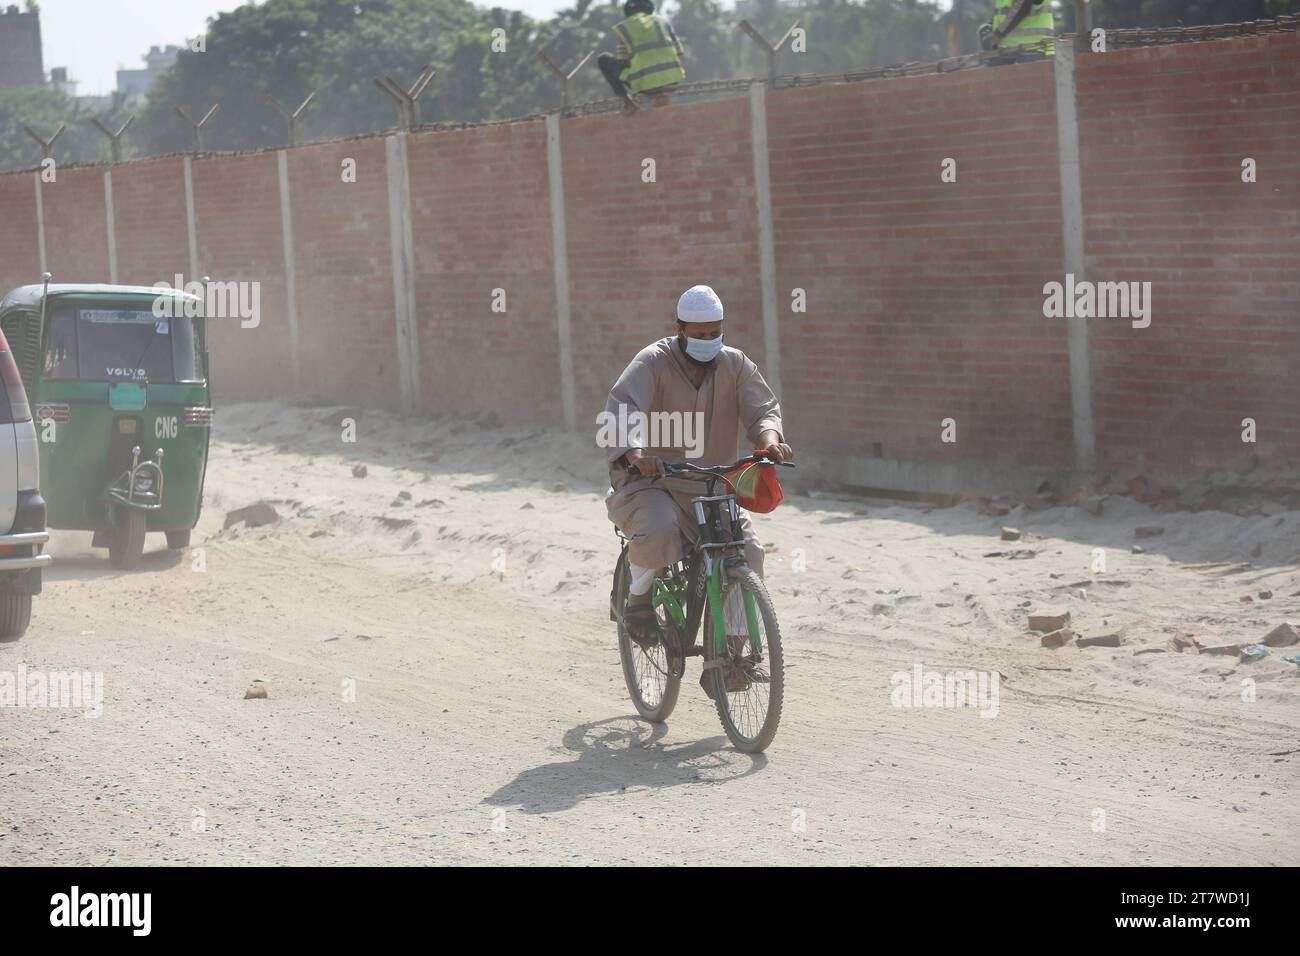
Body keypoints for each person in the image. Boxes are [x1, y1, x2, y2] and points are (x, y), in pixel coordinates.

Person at [603, 285, 792, 660]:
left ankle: (733, 658)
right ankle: (638, 598)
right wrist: (639, 454)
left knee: (748, 551)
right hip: (652, 481)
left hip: (712, 483)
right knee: (658, 527)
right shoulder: (652, 362)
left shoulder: (736, 364)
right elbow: (623, 408)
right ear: (680, 329)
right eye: (700, 334)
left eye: (715, 333)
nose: (709, 341)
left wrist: (770, 441)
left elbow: (763, 409)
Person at [597, 0, 686, 111]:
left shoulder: (624, 28)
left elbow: (622, 60)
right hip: (672, 80)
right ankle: (662, 104)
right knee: (658, 89)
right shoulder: (662, 21)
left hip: (645, 86)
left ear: (628, 11)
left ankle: (628, 103)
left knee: (603, 59)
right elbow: (680, 52)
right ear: (649, 8)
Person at [979, 0, 1055, 64]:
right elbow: (1003, 13)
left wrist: (997, 35)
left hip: (1031, 51)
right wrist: (990, 27)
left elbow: (1022, 7)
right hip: (1008, 53)